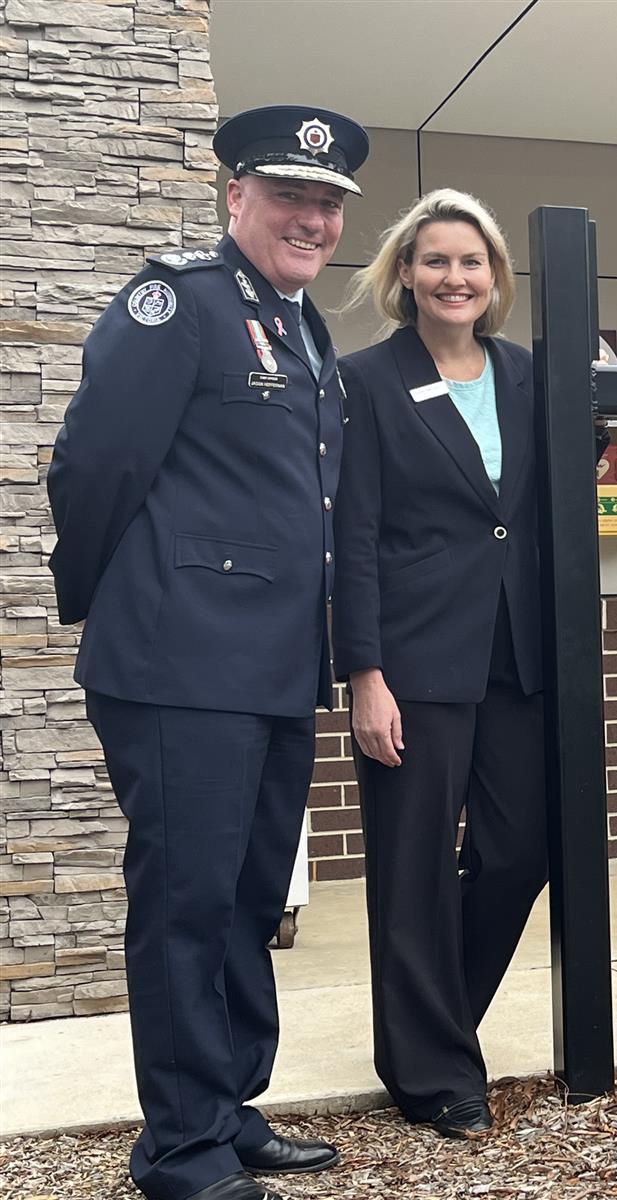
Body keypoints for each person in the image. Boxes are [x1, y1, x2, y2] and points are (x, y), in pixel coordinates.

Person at [47, 105, 368, 1200]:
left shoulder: (301, 326)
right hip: (181, 661)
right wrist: (113, 599)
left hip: (274, 665)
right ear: (236, 196)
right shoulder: (177, 301)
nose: (311, 219)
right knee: (187, 902)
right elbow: (94, 463)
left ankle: (226, 1111)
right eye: (288, 197)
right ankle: (181, 1151)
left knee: (245, 899)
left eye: (326, 204)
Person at [334, 190, 610, 1139]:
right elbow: (352, 536)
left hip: (518, 654)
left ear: (496, 277)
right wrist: (364, 674)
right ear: (405, 275)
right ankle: (434, 1073)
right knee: (411, 871)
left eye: (472, 262)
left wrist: (597, 412)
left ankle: (433, 1026)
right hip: (413, 660)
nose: (455, 278)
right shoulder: (365, 381)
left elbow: (547, 495)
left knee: (521, 851)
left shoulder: (529, 373)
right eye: (436, 261)